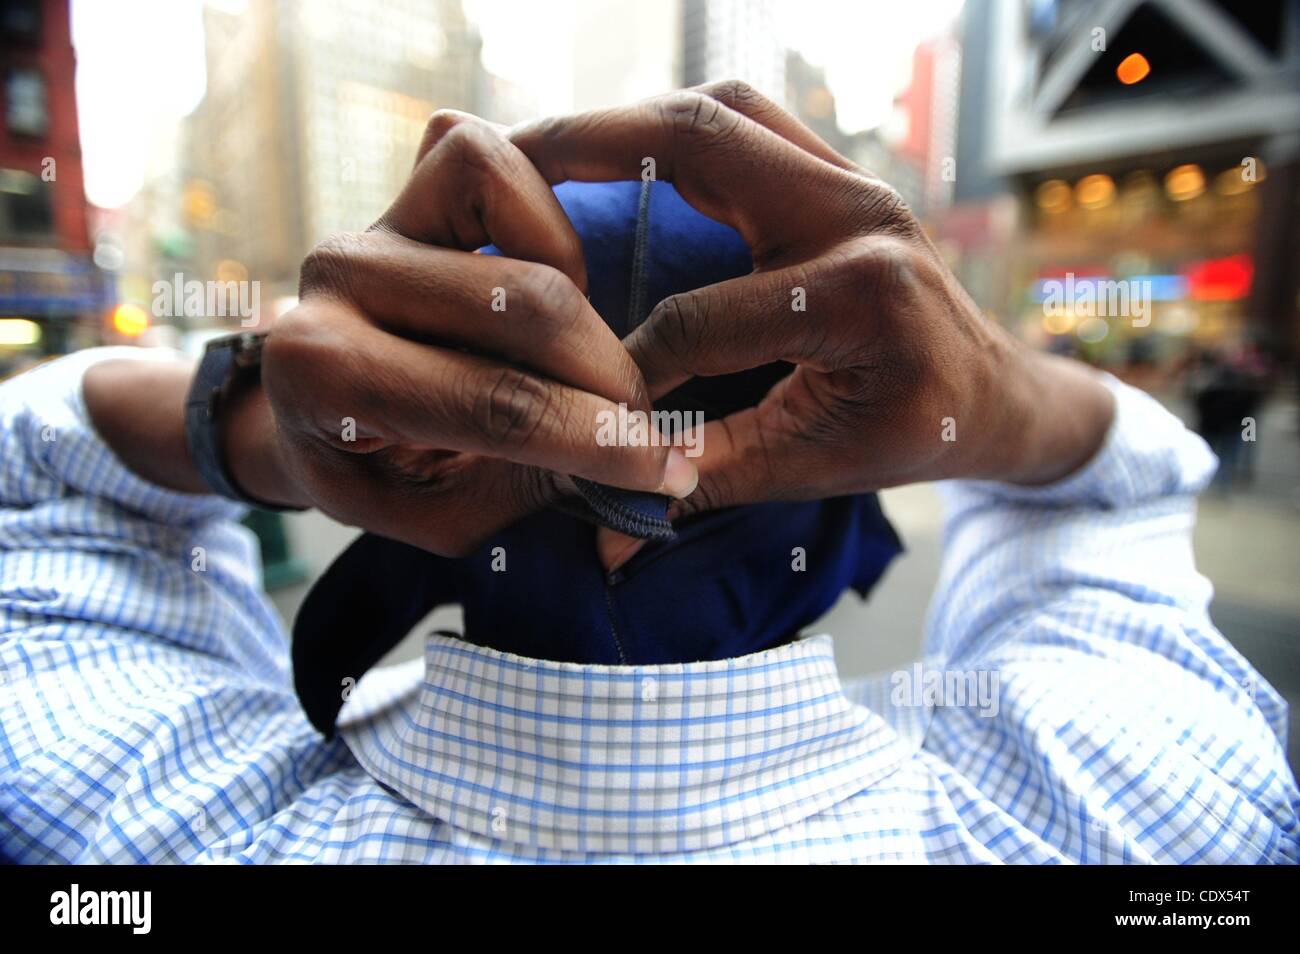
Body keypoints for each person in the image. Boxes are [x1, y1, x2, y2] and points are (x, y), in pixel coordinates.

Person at [0, 84, 1295, 863]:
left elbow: (40, 476)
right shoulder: (1135, 806)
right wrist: (998, 398)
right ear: (846, 509)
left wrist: (259, 425)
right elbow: (1122, 489)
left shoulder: (124, 810)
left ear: (403, 503)